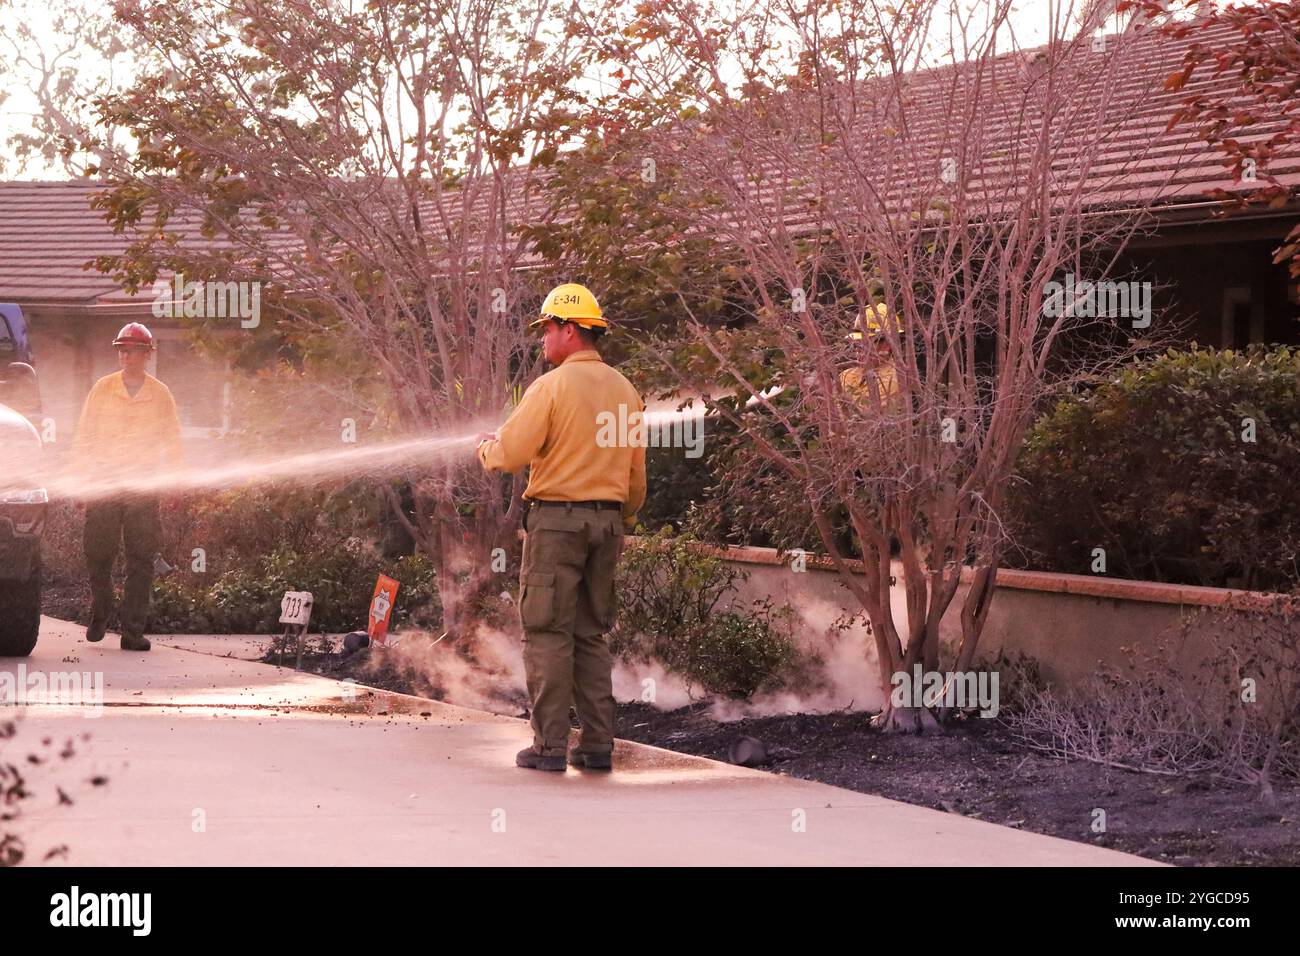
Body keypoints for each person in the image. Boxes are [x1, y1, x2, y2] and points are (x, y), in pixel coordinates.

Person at [476, 283, 647, 772]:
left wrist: (486, 448)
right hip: (609, 524)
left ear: (569, 330)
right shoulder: (626, 391)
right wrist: (621, 519)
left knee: (548, 632)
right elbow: (636, 477)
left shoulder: (550, 388)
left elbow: (510, 454)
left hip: (556, 527)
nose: (543, 340)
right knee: (591, 634)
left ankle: (549, 747)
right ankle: (597, 746)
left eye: (547, 329)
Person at [70, 322, 183, 651]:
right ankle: (101, 609)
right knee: (97, 552)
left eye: (133, 350)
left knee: (141, 559)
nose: (126, 356)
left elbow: (172, 440)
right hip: (104, 483)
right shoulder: (102, 389)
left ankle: (132, 632)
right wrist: (79, 481)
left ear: (148, 355)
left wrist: (175, 482)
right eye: (122, 350)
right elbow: (84, 436)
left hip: (143, 487)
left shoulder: (160, 394)